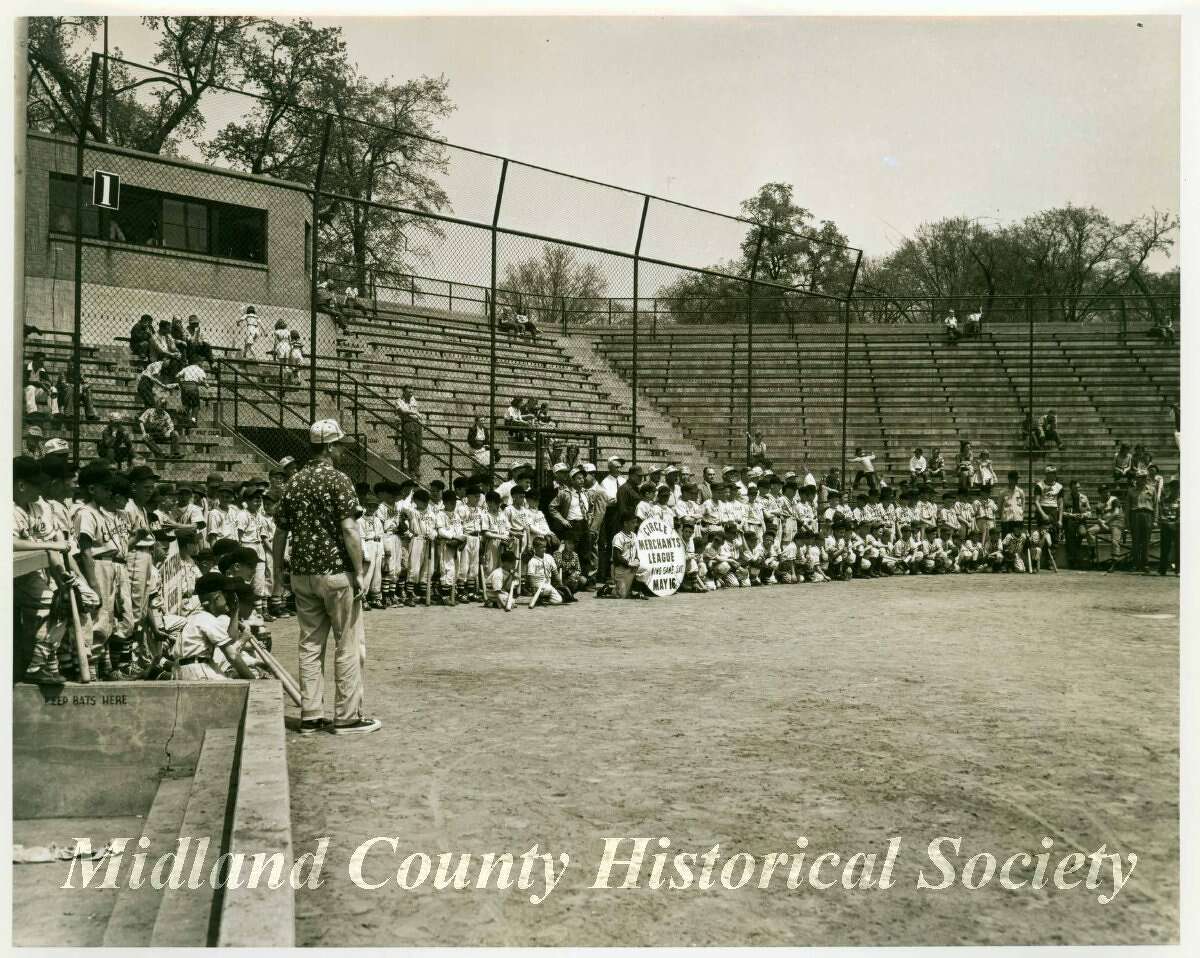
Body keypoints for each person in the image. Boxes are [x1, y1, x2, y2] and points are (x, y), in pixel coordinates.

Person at [272, 418, 379, 735]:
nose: (343, 451)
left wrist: (279, 572)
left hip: (302, 573)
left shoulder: (293, 481)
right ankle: (347, 717)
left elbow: (280, 533)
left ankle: (311, 715)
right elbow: (349, 529)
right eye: (340, 445)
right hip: (335, 572)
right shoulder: (338, 480)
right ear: (330, 446)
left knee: (309, 645)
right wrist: (359, 571)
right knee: (346, 643)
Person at [138, 394, 184, 459]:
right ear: (156, 405)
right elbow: (141, 421)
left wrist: (168, 432)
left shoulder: (166, 414)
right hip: (152, 434)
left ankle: (175, 453)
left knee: (175, 433)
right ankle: (160, 453)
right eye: (159, 407)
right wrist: (144, 432)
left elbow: (171, 426)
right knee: (145, 438)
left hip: (162, 434)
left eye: (162, 408)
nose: (160, 409)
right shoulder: (149, 411)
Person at [1129, 473, 1156, 574]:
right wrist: (1128, 522)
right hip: (1135, 515)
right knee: (1135, 541)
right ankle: (1135, 564)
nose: (1142, 480)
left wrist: (1155, 520)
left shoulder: (1152, 490)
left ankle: (1145, 564)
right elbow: (1128, 507)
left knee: (1146, 541)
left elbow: (1156, 505)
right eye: (1140, 478)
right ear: (1136, 479)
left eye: (1144, 478)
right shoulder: (1131, 490)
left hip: (1148, 515)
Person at [395, 385, 424, 476]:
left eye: (412, 391)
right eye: (409, 391)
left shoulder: (413, 400)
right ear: (404, 392)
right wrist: (414, 412)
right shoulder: (399, 401)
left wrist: (418, 417)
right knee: (412, 448)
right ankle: (412, 469)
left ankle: (417, 468)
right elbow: (403, 411)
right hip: (408, 424)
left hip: (417, 424)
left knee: (419, 448)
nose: (411, 393)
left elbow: (417, 411)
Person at [1158, 478, 1179, 576]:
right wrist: (1168, 523)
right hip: (1166, 527)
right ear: (1170, 489)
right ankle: (1162, 569)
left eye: (1177, 488)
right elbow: (1161, 514)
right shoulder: (1164, 501)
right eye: (1173, 488)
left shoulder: (1181, 501)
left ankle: (1178, 569)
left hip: (1178, 527)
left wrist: (1175, 523)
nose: (1175, 490)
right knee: (1165, 547)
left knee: (1179, 548)